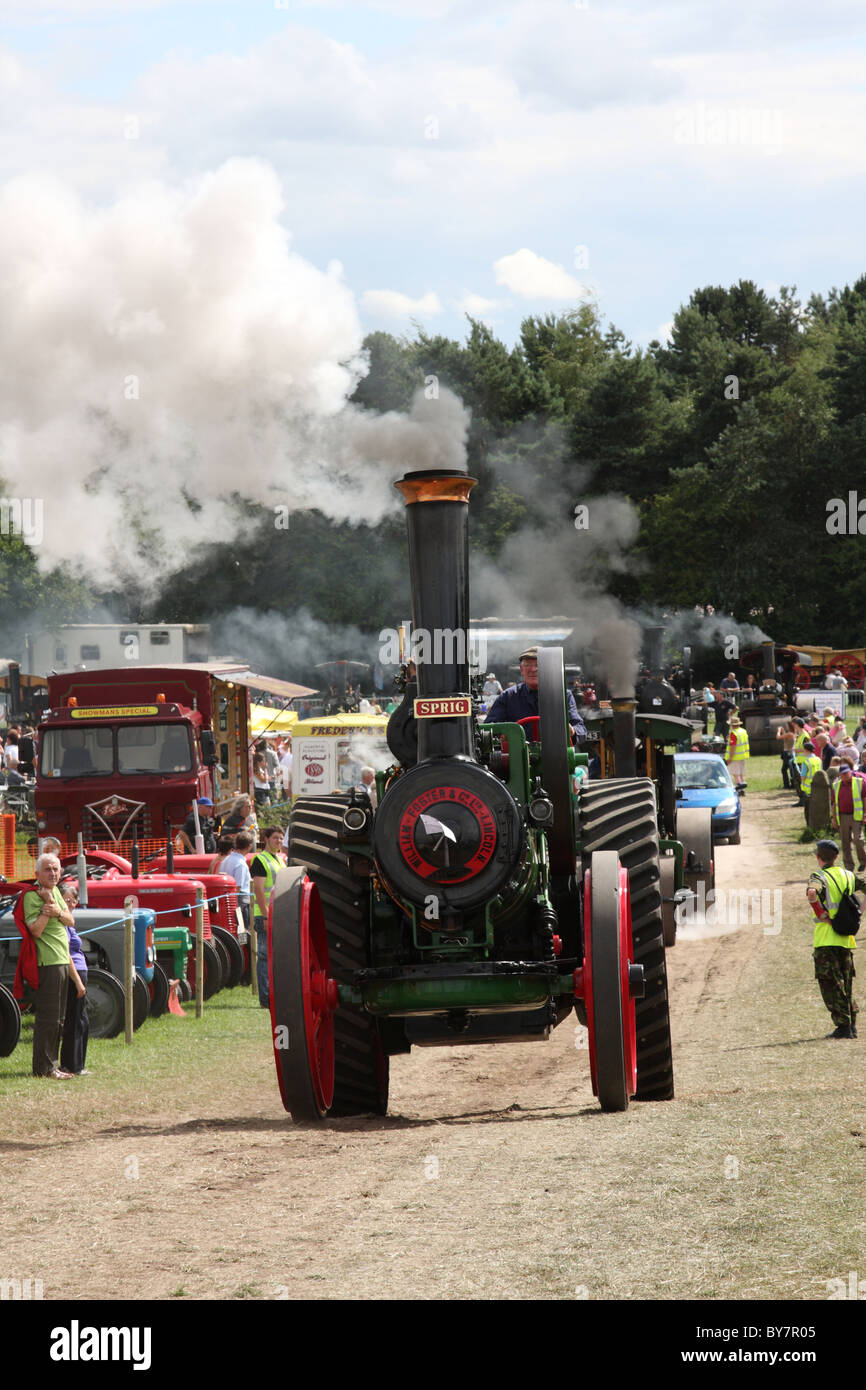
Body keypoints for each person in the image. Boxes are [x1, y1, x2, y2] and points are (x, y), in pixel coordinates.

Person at [22, 853, 86, 1078]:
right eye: (48, 869)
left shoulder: (57, 892)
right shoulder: (32, 896)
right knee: (48, 1018)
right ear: (37, 874)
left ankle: (52, 1065)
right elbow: (36, 930)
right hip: (47, 962)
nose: (53, 873)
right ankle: (43, 1068)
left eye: (56, 869)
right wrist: (47, 906)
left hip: (61, 959)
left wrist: (55, 908)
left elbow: (70, 920)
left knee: (59, 1018)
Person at [806, 840, 862, 1038]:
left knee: (830, 984)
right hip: (846, 939)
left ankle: (843, 1026)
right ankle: (851, 1024)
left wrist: (821, 914)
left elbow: (812, 892)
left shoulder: (818, 876)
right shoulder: (847, 875)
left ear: (818, 858)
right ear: (837, 857)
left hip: (826, 939)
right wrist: (860, 911)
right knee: (846, 984)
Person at [485, 647, 587, 739]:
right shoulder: (508, 696)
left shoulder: (563, 695)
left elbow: (581, 730)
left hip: (556, 756)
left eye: (538, 665)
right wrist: (502, 734)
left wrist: (572, 731)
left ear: (547, 669)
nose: (533, 669)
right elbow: (488, 728)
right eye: (528, 665)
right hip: (517, 757)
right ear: (521, 670)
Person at [59, 880, 91, 1076]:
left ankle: (78, 1063)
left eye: (73, 900)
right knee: (74, 1020)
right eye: (66, 900)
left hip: (81, 971)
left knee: (82, 1020)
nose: (71, 903)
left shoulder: (69, 922)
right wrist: (78, 981)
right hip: (75, 974)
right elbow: (66, 953)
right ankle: (72, 1065)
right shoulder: (62, 923)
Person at [250, 827, 285, 1008]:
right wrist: (265, 915)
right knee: (264, 956)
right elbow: (258, 890)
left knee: (274, 956)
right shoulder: (260, 860)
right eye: (275, 838)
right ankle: (265, 998)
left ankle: (273, 994)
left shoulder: (279, 859)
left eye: (281, 838)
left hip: (277, 913)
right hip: (264, 915)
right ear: (266, 839)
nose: (279, 841)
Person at [830, 761, 866, 872]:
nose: (845, 775)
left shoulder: (860, 783)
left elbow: (865, 799)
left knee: (858, 839)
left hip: (856, 816)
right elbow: (834, 803)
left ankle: (863, 861)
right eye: (843, 774)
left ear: (850, 772)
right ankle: (849, 867)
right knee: (845, 843)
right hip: (842, 816)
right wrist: (834, 819)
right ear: (839, 775)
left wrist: (865, 815)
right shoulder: (836, 786)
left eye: (847, 773)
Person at [217, 832, 252, 932]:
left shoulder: (226, 859)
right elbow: (237, 888)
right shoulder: (241, 864)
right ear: (249, 847)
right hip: (240, 902)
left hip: (227, 899)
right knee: (243, 932)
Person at [726, 715, 750, 789]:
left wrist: (730, 757)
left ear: (731, 725)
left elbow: (733, 746)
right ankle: (742, 788)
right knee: (741, 774)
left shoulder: (733, 733)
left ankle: (740, 789)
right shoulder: (743, 731)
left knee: (736, 774)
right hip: (743, 755)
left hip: (735, 757)